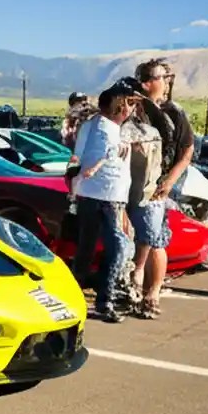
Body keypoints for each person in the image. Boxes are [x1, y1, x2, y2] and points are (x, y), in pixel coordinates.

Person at [129, 58, 195, 302]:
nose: (166, 83)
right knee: (138, 236)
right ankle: (135, 280)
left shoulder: (173, 112)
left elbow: (187, 150)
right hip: (132, 183)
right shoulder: (132, 109)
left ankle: (152, 293)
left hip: (159, 184)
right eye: (162, 78)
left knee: (154, 236)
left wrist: (170, 181)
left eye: (167, 79)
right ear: (147, 83)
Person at [72, 85, 134, 322]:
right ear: (118, 105)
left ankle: (81, 291)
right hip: (108, 196)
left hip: (92, 193)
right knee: (117, 245)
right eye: (128, 103)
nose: (130, 108)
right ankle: (104, 298)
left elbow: (77, 156)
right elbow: (98, 156)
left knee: (87, 245)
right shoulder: (107, 130)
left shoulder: (91, 126)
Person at [118, 79, 165, 317]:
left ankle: (150, 293)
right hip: (120, 197)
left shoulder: (153, 128)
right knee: (125, 246)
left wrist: (162, 186)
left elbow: (160, 162)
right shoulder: (111, 127)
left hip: (146, 195)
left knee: (150, 241)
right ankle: (130, 290)